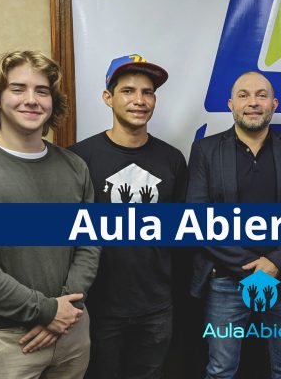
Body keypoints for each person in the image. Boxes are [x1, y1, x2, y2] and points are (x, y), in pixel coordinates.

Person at [0, 50, 100, 378]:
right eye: (18, 89)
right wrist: (45, 311)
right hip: (8, 340)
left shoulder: (75, 167)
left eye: (42, 91)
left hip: (72, 329)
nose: (32, 100)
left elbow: (89, 243)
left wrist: (63, 311)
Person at [186, 71, 281, 379]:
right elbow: (197, 219)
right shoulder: (206, 151)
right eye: (244, 96)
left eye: (261, 95)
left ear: (274, 104)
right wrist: (250, 265)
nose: (253, 103)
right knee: (221, 369)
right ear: (231, 104)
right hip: (226, 280)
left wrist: (275, 264)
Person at [69, 53, 188, 379]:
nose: (139, 100)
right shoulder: (79, 158)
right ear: (108, 98)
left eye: (147, 92)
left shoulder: (172, 159)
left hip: (157, 307)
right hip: (98, 308)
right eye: (128, 91)